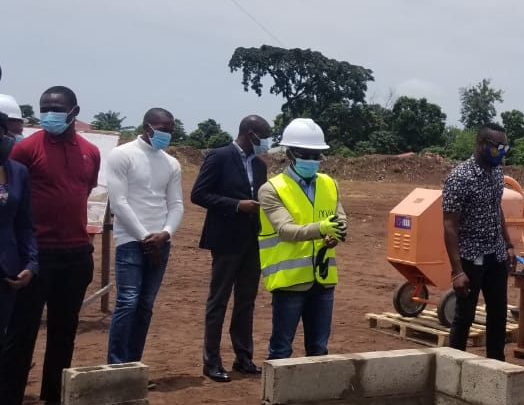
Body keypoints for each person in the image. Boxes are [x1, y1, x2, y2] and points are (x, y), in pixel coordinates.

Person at [0, 86, 100, 405]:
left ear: (74, 111)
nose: (49, 114)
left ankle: (53, 399)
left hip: (75, 253)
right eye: (45, 108)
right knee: (22, 330)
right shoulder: (26, 149)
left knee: (64, 328)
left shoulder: (90, 151)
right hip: (36, 254)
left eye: (56, 108)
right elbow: (10, 198)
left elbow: (83, 191)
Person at [258, 118, 347, 359]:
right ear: (290, 154)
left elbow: (340, 218)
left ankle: (313, 396)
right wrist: (321, 228)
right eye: (306, 154)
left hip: (324, 278)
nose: (313, 160)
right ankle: (277, 397)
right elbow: (285, 230)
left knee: (319, 349)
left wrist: (337, 233)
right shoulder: (271, 189)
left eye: (317, 155)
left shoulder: (330, 184)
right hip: (290, 280)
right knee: (281, 349)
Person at [191, 115, 271, 382]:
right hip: (226, 239)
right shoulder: (219, 157)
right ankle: (211, 361)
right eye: (264, 136)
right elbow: (199, 194)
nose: (267, 142)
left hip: (252, 240)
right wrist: (237, 205)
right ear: (251, 134)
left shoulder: (260, 165)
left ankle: (243, 356)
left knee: (246, 301)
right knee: (219, 300)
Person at [102, 108, 184, 365]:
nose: (166, 134)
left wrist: (165, 233)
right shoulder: (122, 155)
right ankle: (117, 365)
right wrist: (145, 237)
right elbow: (119, 202)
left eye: (170, 130)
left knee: (145, 305)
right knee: (127, 302)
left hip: (161, 241)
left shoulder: (171, 163)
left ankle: (133, 364)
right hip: (130, 240)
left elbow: (176, 204)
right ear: (147, 127)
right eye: (162, 129)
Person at [442, 124, 516, 361]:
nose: (501, 152)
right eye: (497, 147)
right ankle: (454, 367)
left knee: (498, 315)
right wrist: (457, 271)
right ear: (481, 144)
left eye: (505, 147)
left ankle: (497, 368)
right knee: (464, 318)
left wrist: (509, 244)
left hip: (496, 255)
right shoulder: (459, 177)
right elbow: (449, 226)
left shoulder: (496, 172)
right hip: (471, 257)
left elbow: (497, 209)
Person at [0, 122, 38, 405]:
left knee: (4, 344)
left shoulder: (16, 172)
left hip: (8, 273)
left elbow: (25, 225)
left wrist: (31, 263)